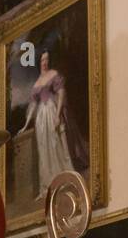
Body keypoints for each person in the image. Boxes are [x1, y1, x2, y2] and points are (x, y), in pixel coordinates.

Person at [18, 50, 88, 199]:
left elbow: (61, 93)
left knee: (56, 144)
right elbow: (33, 106)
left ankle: (64, 178)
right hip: (41, 119)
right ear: (39, 62)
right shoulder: (37, 83)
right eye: (43, 60)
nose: (45, 62)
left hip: (51, 111)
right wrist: (25, 125)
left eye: (47, 59)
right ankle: (48, 184)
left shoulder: (53, 74)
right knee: (44, 150)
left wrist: (57, 115)